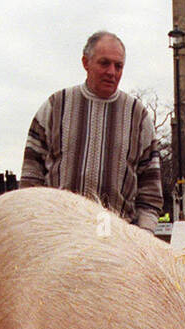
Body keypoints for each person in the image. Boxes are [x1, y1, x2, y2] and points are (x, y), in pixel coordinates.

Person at [19, 31, 163, 231]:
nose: (112, 72)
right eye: (104, 63)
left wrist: (144, 237)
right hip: (59, 232)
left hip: (116, 235)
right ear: (86, 63)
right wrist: (33, 229)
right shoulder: (54, 107)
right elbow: (30, 180)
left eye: (118, 66)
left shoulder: (138, 116)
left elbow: (150, 191)